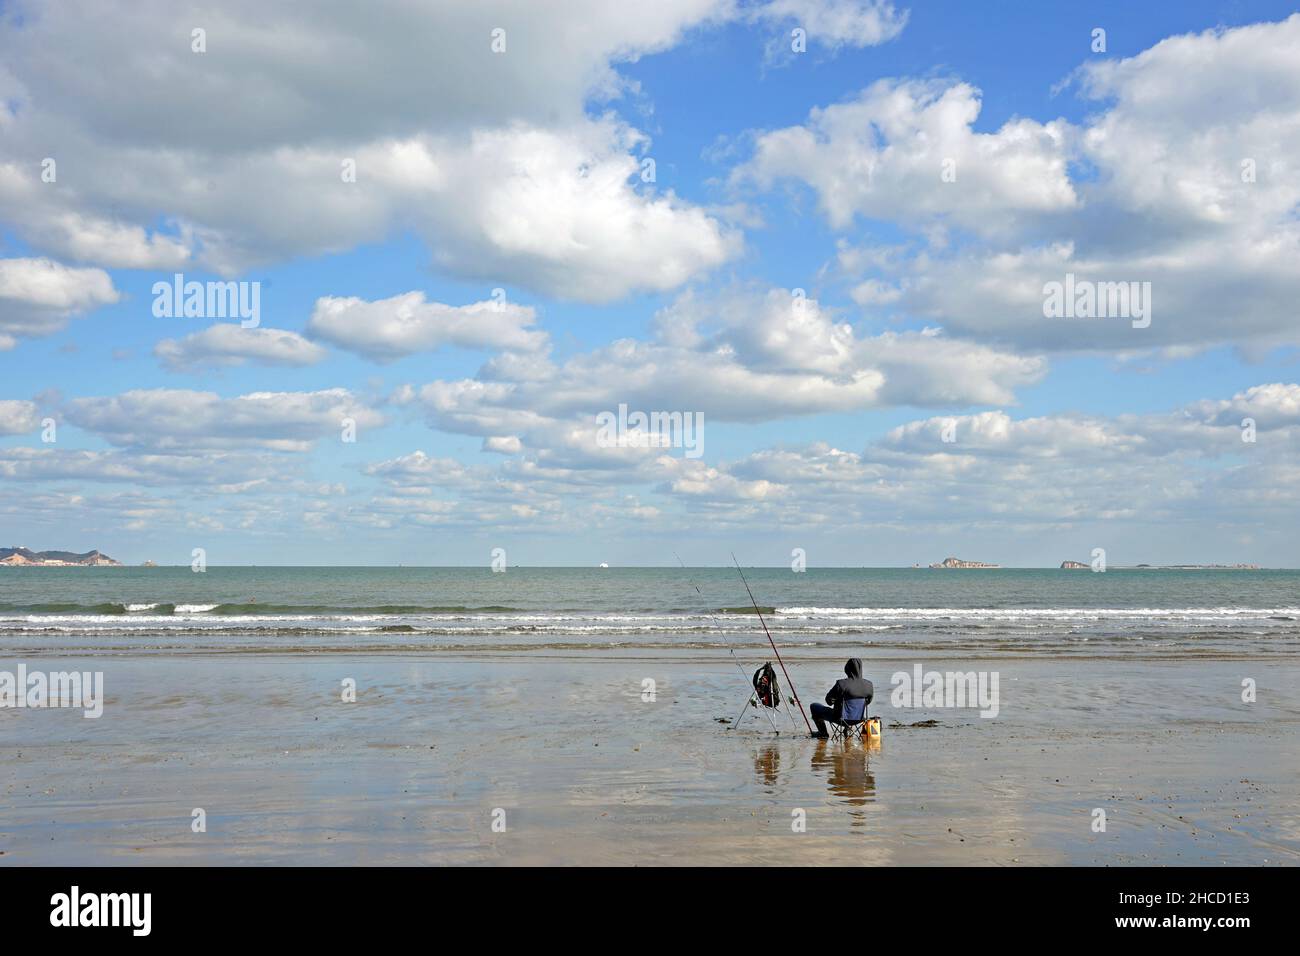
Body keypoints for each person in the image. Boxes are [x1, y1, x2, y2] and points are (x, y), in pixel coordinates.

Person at [810, 657, 873, 738]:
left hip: (840, 718)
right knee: (850, 709)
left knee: (814, 706)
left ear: (847, 669)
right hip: (859, 719)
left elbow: (828, 701)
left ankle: (823, 733)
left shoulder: (841, 684)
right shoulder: (869, 685)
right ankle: (848, 729)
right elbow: (868, 702)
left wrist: (837, 701)